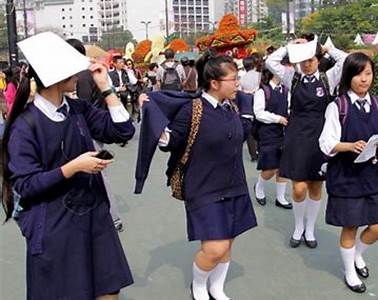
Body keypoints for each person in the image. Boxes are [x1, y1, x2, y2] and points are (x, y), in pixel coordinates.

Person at [1, 32, 135, 300]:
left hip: (94, 216)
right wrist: (72, 167)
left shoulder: (77, 109)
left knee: (109, 292)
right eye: (72, 68)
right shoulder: (24, 126)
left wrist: (106, 87)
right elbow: (26, 185)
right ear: (55, 75)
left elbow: (123, 131)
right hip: (54, 226)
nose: (79, 72)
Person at [143, 50, 257, 300]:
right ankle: (198, 286)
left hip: (235, 185)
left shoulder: (234, 107)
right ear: (215, 83)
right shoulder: (193, 109)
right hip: (204, 188)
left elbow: (243, 132)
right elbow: (170, 140)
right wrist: (152, 118)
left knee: (227, 242)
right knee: (214, 248)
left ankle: (217, 287)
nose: (237, 83)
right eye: (233, 79)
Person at [319, 52, 378, 293]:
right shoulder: (338, 106)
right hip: (345, 175)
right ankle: (349, 272)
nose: (364, 79)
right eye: (358, 74)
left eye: (368, 74)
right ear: (348, 77)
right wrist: (349, 146)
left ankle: (356, 254)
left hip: (372, 174)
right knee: (350, 226)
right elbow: (326, 142)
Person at [266, 37, 348, 249]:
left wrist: (328, 48)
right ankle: (298, 227)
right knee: (299, 187)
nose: (307, 64)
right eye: (303, 60)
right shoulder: (292, 77)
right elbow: (270, 62)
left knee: (315, 185)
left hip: (321, 136)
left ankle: (310, 229)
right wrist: (290, 47)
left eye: (311, 59)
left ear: (318, 59)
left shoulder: (328, 78)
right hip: (297, 136)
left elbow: (346, 60)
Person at [67, 38, 125, 232]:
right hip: (98, 124)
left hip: (91, 128)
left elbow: (84, 104)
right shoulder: (93, 70)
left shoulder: (83, 75)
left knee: (98, 172)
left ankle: (112, 217)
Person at [252, 68, 292, 209]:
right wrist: (277, 119)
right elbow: (258, 113)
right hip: (268, 132)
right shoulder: (263, 91)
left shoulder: (287, 90)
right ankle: (259, 187)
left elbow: (289, 109)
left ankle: (280, 197)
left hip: (284, 132)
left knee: (283, 166)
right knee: (271, 167)